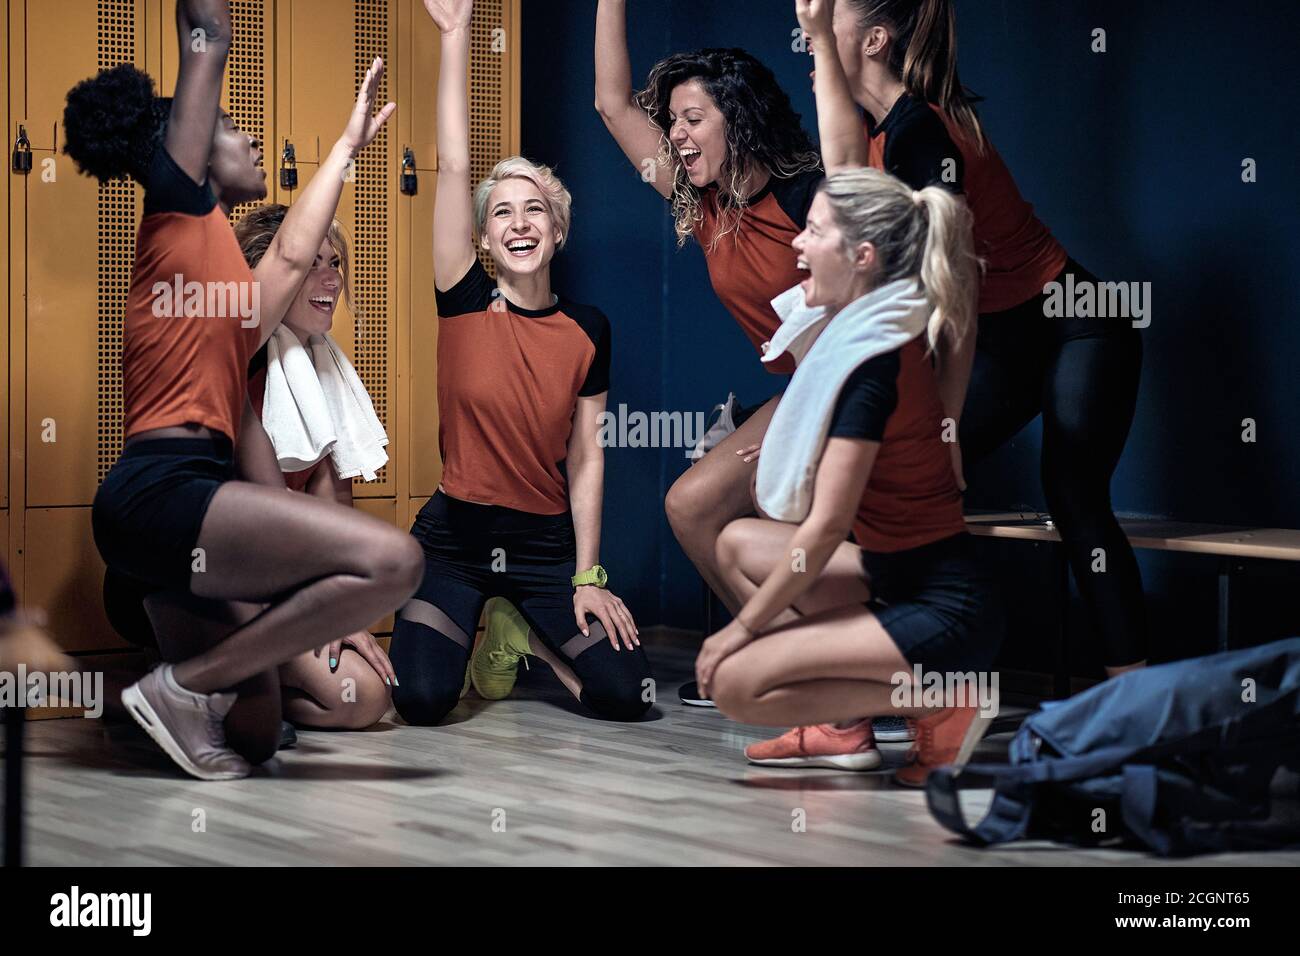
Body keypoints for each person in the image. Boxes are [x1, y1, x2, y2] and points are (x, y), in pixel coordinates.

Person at [63, 0, 421, 780]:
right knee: (394, 562)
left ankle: (176, 637)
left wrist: (348, 148)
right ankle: (181, 683)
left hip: (178, 516)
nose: (251, 135)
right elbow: (210, 32)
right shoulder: (175, 216)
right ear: (184, 152)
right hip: (160, 492)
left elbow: (292, 257)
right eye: (228, 124)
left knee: (256, 734)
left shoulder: (220, 281)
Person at [820, 0, 1145, 674]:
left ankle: (1137, 698)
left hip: (1079, 324)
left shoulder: (924, 137)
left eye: (829, 17)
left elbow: (957, 295)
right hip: (1006, 338)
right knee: (901, 482)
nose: (811, 30)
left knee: (1074, 496)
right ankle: (906, 680)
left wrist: (942, 425)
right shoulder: (875, 133)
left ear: (875, 38)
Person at [388, 0, 651, 726]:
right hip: (453, 541)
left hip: (541, 547)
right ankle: (481, 615)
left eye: (533, 210)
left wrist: (587, 574)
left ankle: (522, 629)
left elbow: (587, 460)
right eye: (501, 213)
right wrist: (456, 37)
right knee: (423, 700)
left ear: (557, 229)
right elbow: (455, 162)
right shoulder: (462, 298)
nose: (518, 223)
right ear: (482, 238)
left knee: (624, 696)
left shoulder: (588, 329)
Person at [695, 167, 998, 786]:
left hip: (944, 606)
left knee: (735, 683)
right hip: (892, 571)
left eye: (812, 232)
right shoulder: (870, 338)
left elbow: (827, 526)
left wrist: (739, 631)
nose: (797, 246)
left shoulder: (873, 367)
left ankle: (938, 696)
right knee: (736, 543)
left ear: (861, 257)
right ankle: (865, 715)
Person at [595, 0, 833, 710]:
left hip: (854, 394)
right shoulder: (700, 203)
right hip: (796, 395)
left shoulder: (808, 199)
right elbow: (612, 103)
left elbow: (873, 322)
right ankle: (790, 660)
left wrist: (808, 430)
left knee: (787, 510)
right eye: (671, 122)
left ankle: (844, 678)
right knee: (692, 506)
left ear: (741, 118)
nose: (676, 134)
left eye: (692, 120)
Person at [238, 203, 397, 731]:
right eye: (312, 263)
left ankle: (236, 694)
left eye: (335, 262)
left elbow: (335, 519)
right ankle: (203, 677)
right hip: (217, 575)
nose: (332, 277)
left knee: (367, 698)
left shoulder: (320, 366)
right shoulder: (236, 354)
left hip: (284, 584)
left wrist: (340, 615)